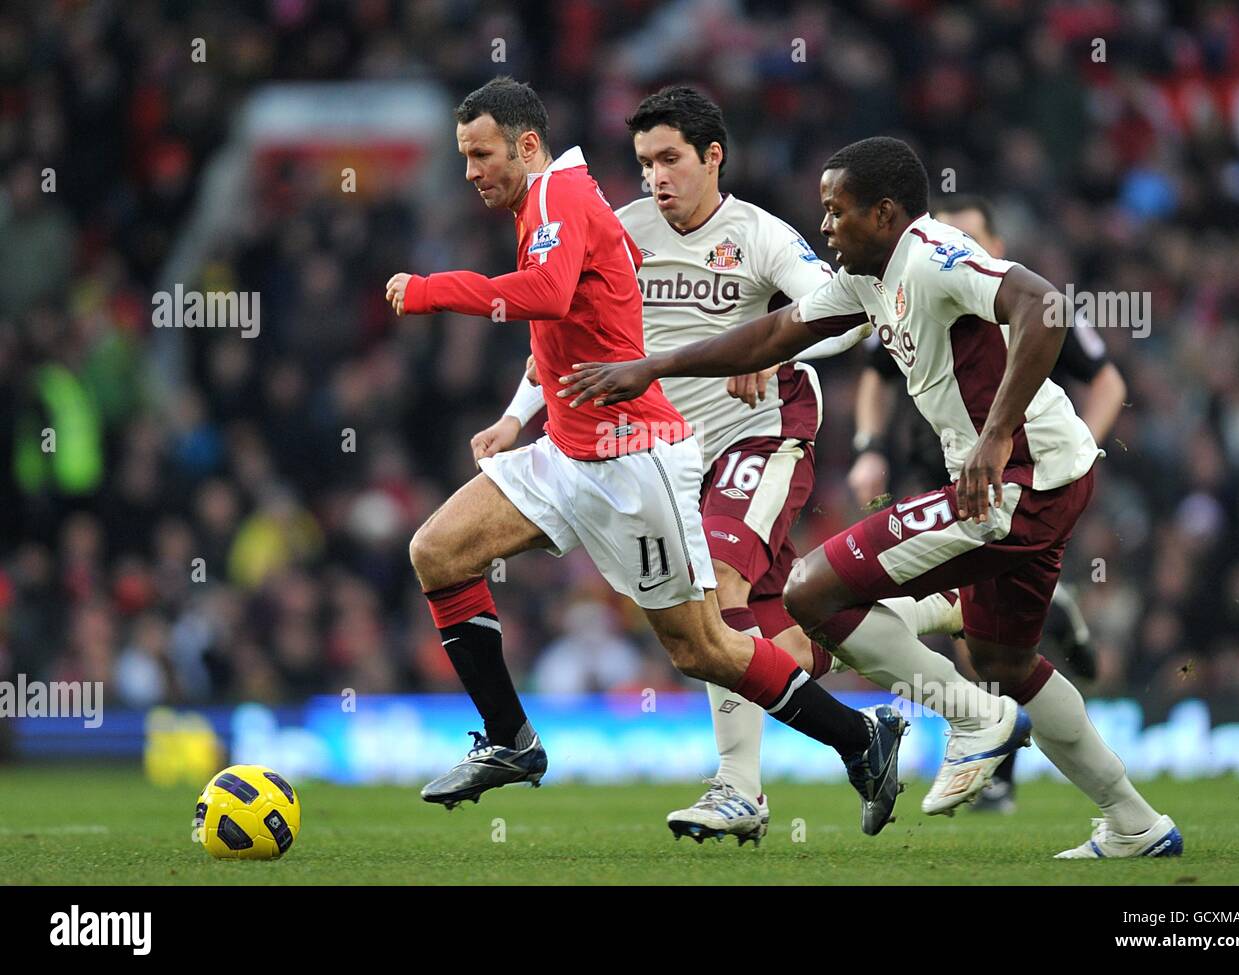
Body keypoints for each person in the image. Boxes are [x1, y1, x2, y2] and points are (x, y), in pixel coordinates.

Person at [559, 136, 1180, 858]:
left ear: (885, 214)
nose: (824, 227)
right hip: (1034, 479)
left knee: (812, 591)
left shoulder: (931, 254)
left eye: (836, 212)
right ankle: (1135, 823)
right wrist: (655, 365)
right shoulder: (866, 277)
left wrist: (997, 435)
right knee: (1008, 660)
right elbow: (777, 331)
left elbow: (1041, 304)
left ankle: (972, 718)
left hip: (1020, 479)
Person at [384, 78, 909, 836]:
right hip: (569, 450)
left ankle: (861, 737)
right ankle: (511, 740)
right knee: (437, 550)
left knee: (705, 645)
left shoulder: (564, 197)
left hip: (639, 459)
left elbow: (546, 293)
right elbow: (579, 328)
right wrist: (513, 419)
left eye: (481, 154)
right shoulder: (578, 209)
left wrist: (431, 290)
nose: (470, 171)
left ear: (526, 147)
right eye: (464, 156)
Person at [848, 193, 1128, 814]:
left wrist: (1080, 447)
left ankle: (981, 731)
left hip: (1008, 479)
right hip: (933, 470)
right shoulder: (910, 285)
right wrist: (868, 447)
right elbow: (873, 372)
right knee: (994, 648)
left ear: (995, 249)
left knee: (852, 597)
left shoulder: (1005, 297)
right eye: (949, 233)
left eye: (969, 236)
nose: (954, 244)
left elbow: (1106, 377)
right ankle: (1125, 816)